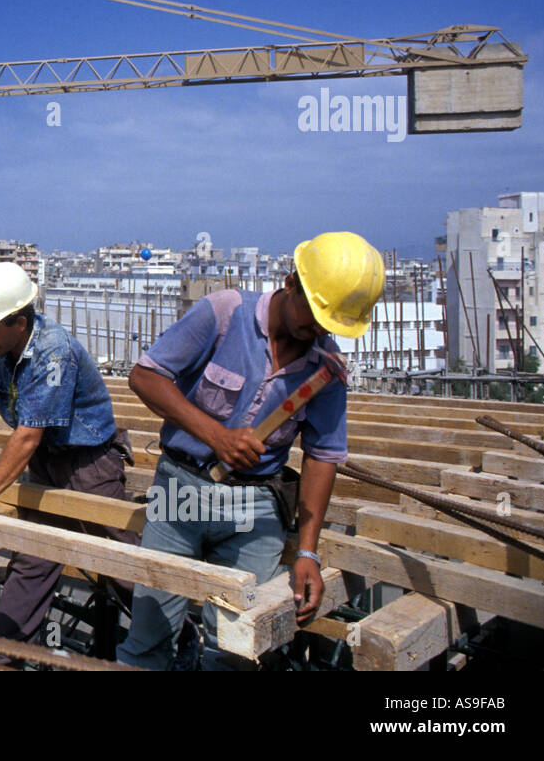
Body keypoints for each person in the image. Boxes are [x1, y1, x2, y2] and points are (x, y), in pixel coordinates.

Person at [115, 231, 384, 670]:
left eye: (327, 324)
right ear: (290, 281)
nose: (315, 329)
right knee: (149, 639)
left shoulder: (326, 369)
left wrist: (308, 552)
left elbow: (324, 455)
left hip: (254, 507)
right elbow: (146, 377)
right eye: (312, 314)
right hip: (180, 489)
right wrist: (216, 436)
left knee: (238, 651)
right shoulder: (225, 314)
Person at [0, 262, 136, 647]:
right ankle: (2, 655)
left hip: (88, 463)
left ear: (18, 323)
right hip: (45, 463)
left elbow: (26, 438)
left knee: (123, 562)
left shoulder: (53, 351)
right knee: (33, 558)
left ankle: (172, 632)